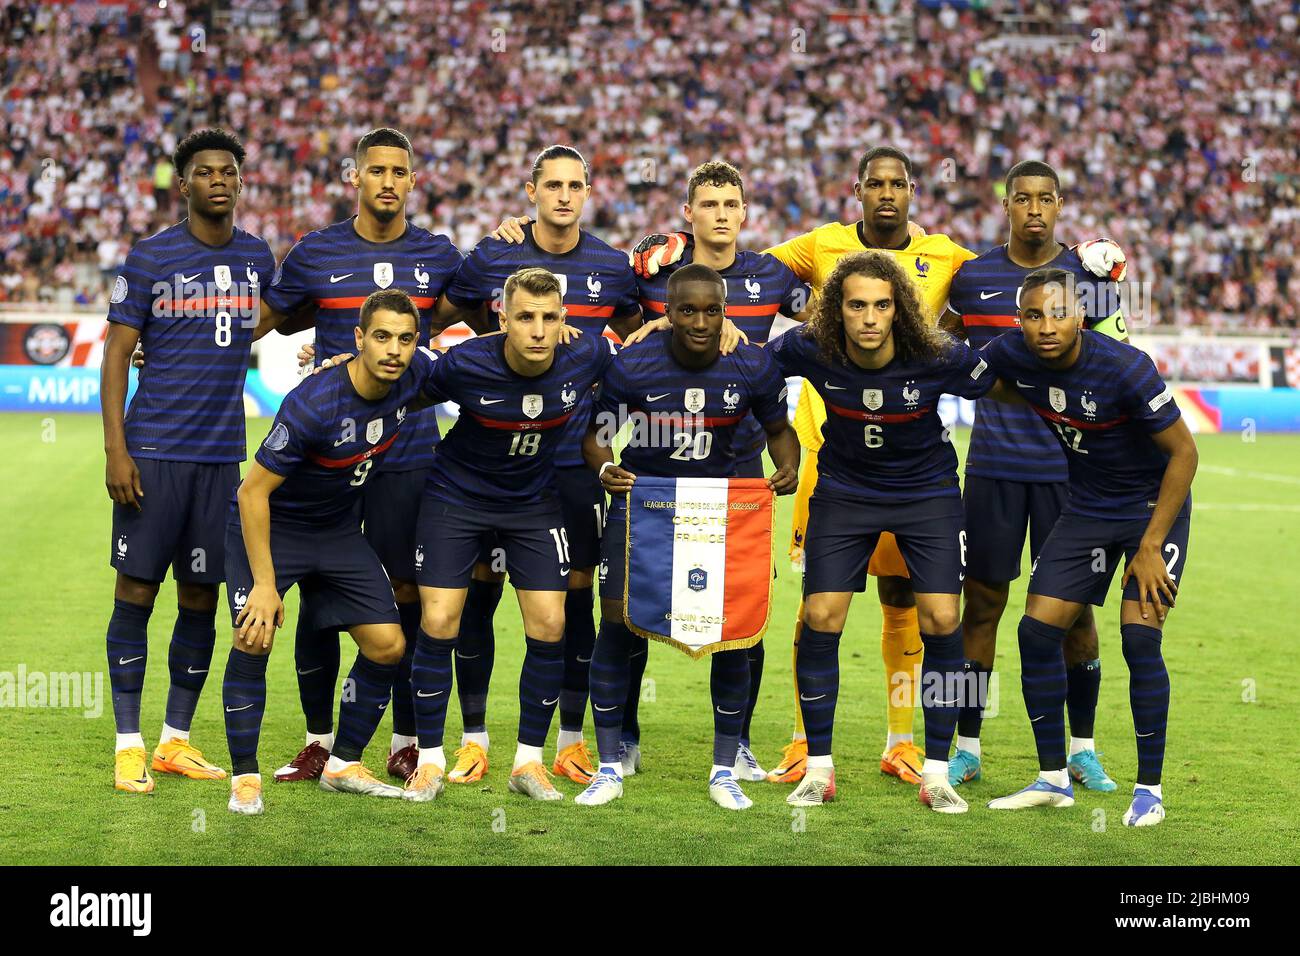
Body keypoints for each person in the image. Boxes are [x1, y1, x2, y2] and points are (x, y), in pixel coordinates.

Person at [260, 127, 466, 785]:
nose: (387, 181)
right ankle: (320, 742)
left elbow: (497, 309)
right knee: (319, 599)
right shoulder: (316, 253)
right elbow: (271, 317)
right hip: (329, 461)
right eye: (375, 170)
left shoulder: (438, 255)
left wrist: (513, 236)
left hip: (409, 455)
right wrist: (175, 337)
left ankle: (406, 740)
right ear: (354, 177)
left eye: (398, 171)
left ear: (412, 180)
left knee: (407, 593)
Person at [766, 251, 1002, 813]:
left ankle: (939, 772)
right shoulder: (809, 348)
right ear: (835, 310)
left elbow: (996, 375)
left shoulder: (935, 353)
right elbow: (751, 370)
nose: (869, 317)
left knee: (943, 619)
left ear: (898, 309)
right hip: (845, 492)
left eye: (881, 305)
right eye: (855, 306)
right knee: (821, 616)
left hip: (927, 494)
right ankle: (818, 769)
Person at [436, 145, 641, 787]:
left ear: (588, 192)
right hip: (492, 460)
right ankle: (474, 738)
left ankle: (571, 740)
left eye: (575, 185)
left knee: (571, 600)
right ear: (531, 191)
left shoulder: (611, 265)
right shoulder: (496, 254)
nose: (563, 195)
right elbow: (448, 312)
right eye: (551, 185)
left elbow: (633, 339)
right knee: (478, 591)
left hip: (572, 463)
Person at [613, 160, 811, 782]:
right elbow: (609, 337)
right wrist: (643, 327)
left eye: (732, 204)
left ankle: (740, 741)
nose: (722, 214)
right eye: (710, 204)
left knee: (741, 613)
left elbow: (822, 321)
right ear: (689, 212)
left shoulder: (770, 275)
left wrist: (760, 352)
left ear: (745, 213)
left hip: (738, 470)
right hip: (656, 469)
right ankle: (623, 736)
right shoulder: (652, 272)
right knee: (634, 606)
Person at [576, 263, 800, 810]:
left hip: (726, 513)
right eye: (687, 310)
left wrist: (787, 466)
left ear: (725, 311)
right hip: (647, 508)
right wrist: (605, 469)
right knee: (617, 623)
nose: (700, 321)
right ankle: (610, 763)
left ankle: (725, 766)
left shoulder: (750, 362)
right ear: (667, 313)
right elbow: (598, 437)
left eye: (712, 310)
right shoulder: (634, 365)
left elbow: (780, 431)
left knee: (734, 634)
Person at [980, 268, 1196, 828]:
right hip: (1088, 508)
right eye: (1033, 315)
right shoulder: (1014, 355)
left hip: (1153, 512)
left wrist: (1150, 545)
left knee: (1139, 641)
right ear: (1019, 320)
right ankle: (1053, 779)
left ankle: (1149, 791)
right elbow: (969, 372)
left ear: (1080, 315)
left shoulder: (1125, 368)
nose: (1046, 326)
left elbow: (1185, 455)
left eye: (1058, 313)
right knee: (1036, 631)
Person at [941, 159, 1128, 790]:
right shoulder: (972, 279)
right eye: (1022, 199)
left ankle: (1082, 749)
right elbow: (944, 347)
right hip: (993, 469)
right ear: (1006, 205)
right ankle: (967, 744)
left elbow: (1122, 360)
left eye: (1045, 199)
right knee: (983, 605)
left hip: (1075, 476)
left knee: (1075, 615)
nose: (1034, 210)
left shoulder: (1090, 279)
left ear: (1060, 204)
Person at [100, 128, 275, 794]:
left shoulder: (257, 254)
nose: (219, 179)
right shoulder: (149, 258)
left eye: (229, 170)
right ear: (184, 184)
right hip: (153, 453)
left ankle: (175, 740)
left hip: (221, 459)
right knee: (137, 592)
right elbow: (117, 353)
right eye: (204, 171)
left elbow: (273, 315)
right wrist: (116, 449)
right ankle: (127, 743)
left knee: (201, 597)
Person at [402, 267, 617, 803]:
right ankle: (429, 761)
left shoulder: (585, 355)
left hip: (534, 501)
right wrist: (340, 369)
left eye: (549, 318)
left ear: (564, 319)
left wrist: (659, 329)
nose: (539, 330)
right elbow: (397, 388)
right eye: (526, 318)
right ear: (502, 319)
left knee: (550, 622)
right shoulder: (464, 363)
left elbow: (647, 364)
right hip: (457, 497)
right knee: (438, 619)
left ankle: (529, 762)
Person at [222, 289, 441, 815]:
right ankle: (244, 778)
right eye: (382, 337)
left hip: (339, 531)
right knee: (254, 637)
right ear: (358, 339)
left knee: (388, 645)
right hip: (276, 528)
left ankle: (343, 764)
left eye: (405, 339)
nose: (394, 349)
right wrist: (266, 585)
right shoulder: (313, 404)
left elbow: (481, 365)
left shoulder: (414, 375)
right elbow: (251, 493)